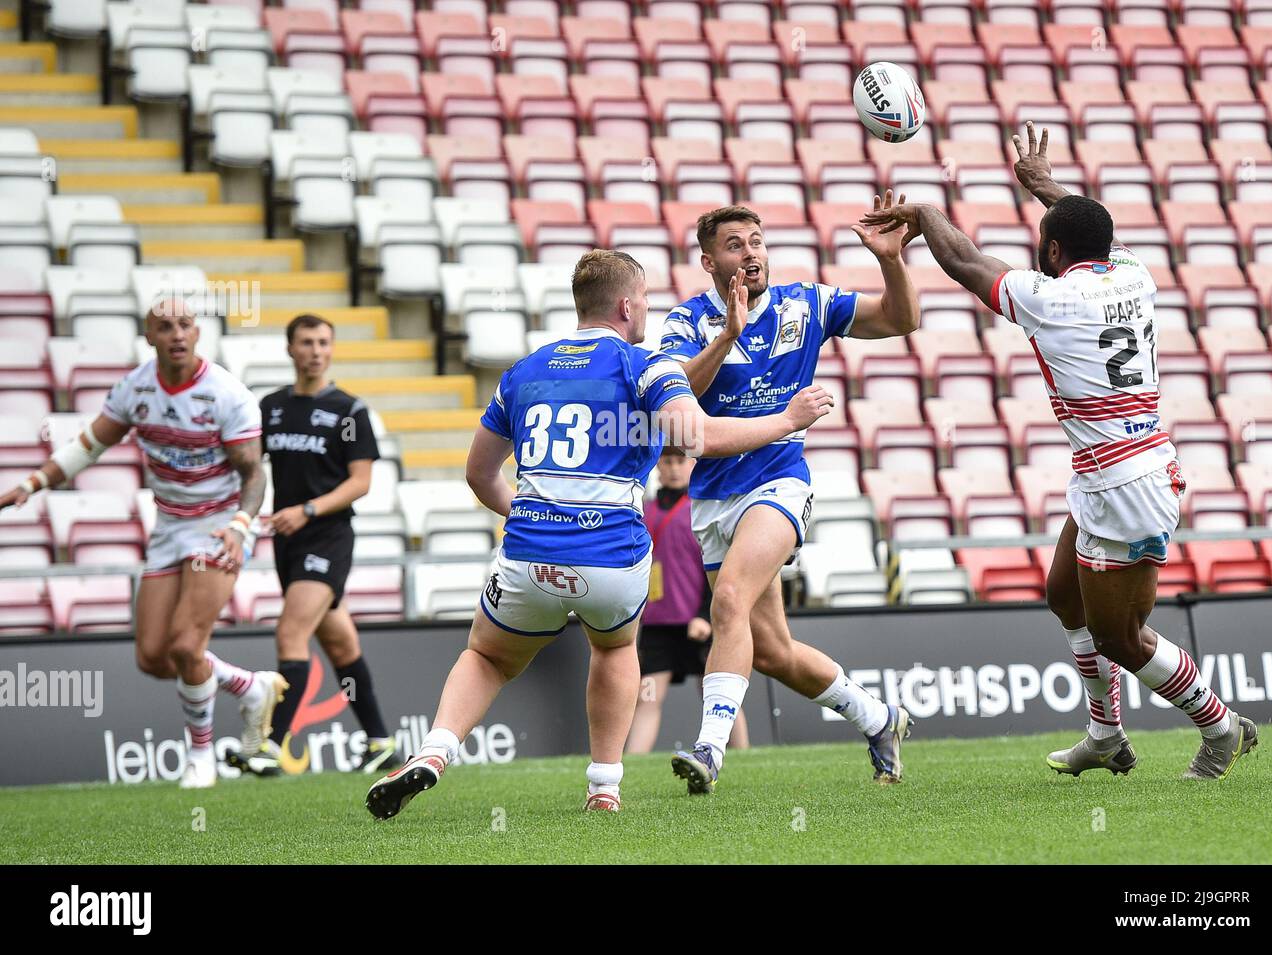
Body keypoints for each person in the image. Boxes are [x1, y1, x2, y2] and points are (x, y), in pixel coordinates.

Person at [365, 249, 835, 818]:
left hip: (528, 554)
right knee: (613, 649)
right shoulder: (648, 365)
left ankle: (436, 750)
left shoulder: (525, 369)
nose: (647, 311)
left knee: (488, 657)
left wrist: (530, 512)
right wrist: (787, 420)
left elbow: (477, 472)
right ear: (625, 305)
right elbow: (697, 438)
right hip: (610, 558)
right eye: (643, 301)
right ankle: (604, 784)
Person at [860, 122, 1258, 780]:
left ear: (1049, 251)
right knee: (1062, 596)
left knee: (1120, 637)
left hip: (1123, 487)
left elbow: (966, 263)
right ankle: (1106, 734)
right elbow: (1090, 226)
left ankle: (1220, 727)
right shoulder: (1133, 274)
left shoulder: (1053, 299)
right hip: (1123, 467)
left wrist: (925, 212)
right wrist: (1045, 186)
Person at [660, 198, 922, 794]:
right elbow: (677, 405)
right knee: (773, 651)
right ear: (708, 261)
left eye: (756, 241)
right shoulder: (685, 323)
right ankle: (879, 720)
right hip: (713, 499)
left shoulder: (808, 302)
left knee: (728, 601)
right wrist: (728, 334)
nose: (750, 253)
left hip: (779, 482)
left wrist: (892, 262)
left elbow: (901, 319)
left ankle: (709, 752)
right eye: (734, 245)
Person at [0, 299, 285, 789]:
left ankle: (201, 759)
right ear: (148, 336)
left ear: (198, 334)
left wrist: (241, 525)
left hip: (220, 524)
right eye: (165, 327)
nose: (177, 333)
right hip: (170, 526)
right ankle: (250, 686)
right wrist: (32, 483)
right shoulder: (137, 387)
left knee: (185, 644)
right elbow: (89, 445)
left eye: (186, 325)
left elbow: (253, 472)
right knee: (154, 657)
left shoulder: (226, 393)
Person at [236, 313, 401, 778]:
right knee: (341, 646)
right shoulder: (269, 407)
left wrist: (308, 509)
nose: (315, 350)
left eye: (323, 342)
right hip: (287, 541)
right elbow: (247, 466)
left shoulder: (350, 411)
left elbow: (361, 483)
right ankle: (380, 743)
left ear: (332, 349)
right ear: (290, 349)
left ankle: (271, 745)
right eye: (306, 342)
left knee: (290, 633)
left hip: (328, 536)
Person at [626, 448, 749, 754]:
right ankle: (633, 763)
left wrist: (705, 616)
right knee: (649, 695)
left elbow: (717, 567)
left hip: (698, 620)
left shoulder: (702, 508)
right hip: (657, 621)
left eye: (680, 461)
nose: (674, 468)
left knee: (717, 691)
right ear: (658, 466)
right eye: (667, 461)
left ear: (692, 464)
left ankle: (745, 755)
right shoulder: (644, 511)